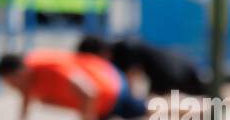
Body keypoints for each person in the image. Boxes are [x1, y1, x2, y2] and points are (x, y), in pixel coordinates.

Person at [0, 50, 152, 120]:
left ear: (20, 72)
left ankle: (174, 107)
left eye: (13, 82)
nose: (14, 88)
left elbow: (88, 91)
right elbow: (26, 94)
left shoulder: (49, 68)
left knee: (149, 110)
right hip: (103, 93)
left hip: (110, 90)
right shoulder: (29, 76)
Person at [78, 36, 212, 98]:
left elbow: (131, 77)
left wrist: (127, 105)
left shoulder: (124, 49)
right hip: (175, 70)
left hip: (170, 74)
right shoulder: (122, 47)